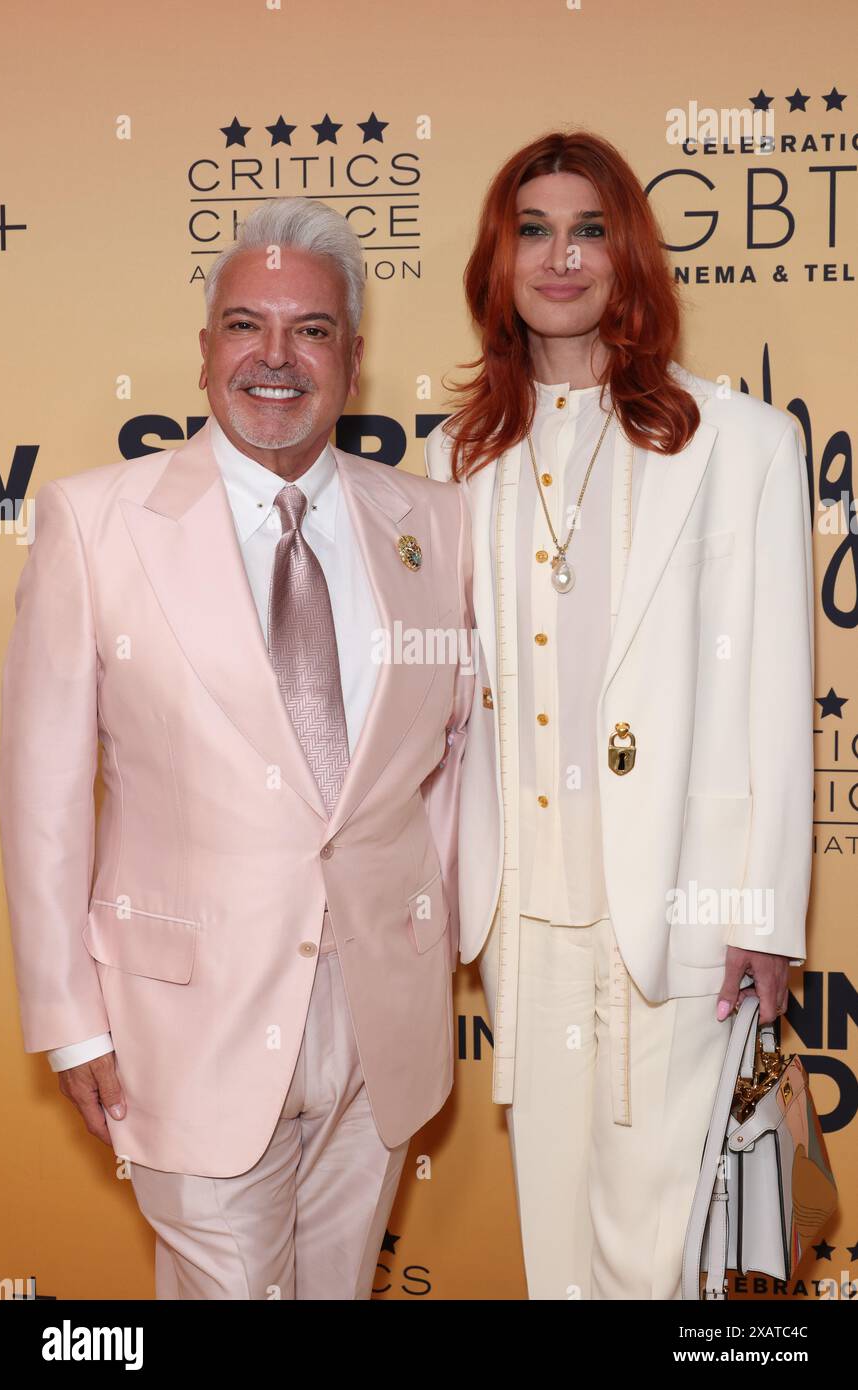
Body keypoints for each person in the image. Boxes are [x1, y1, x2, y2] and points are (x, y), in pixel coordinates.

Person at [0, 196, 473, 1300]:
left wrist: (425, 925)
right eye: (245, 325)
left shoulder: (434, 524)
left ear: (353, 358)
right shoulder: (94, 522)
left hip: (379, 1023)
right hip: (185, 1027)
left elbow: (449, 757)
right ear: (205, 349)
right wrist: (69, 1021)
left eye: (311, 329)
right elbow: (42, 792)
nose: (275, 357)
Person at [425, 130, 814, 1300]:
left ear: (627, 254)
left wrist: (763, 910)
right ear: (497, 262)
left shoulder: (740, 441)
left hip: (682, 903)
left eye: (587, 230)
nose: (560, 258)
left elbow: (772, 689)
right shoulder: (454, 457)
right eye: (533, 231)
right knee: (555, 1241)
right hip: (523, 912)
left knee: (655, 1250)